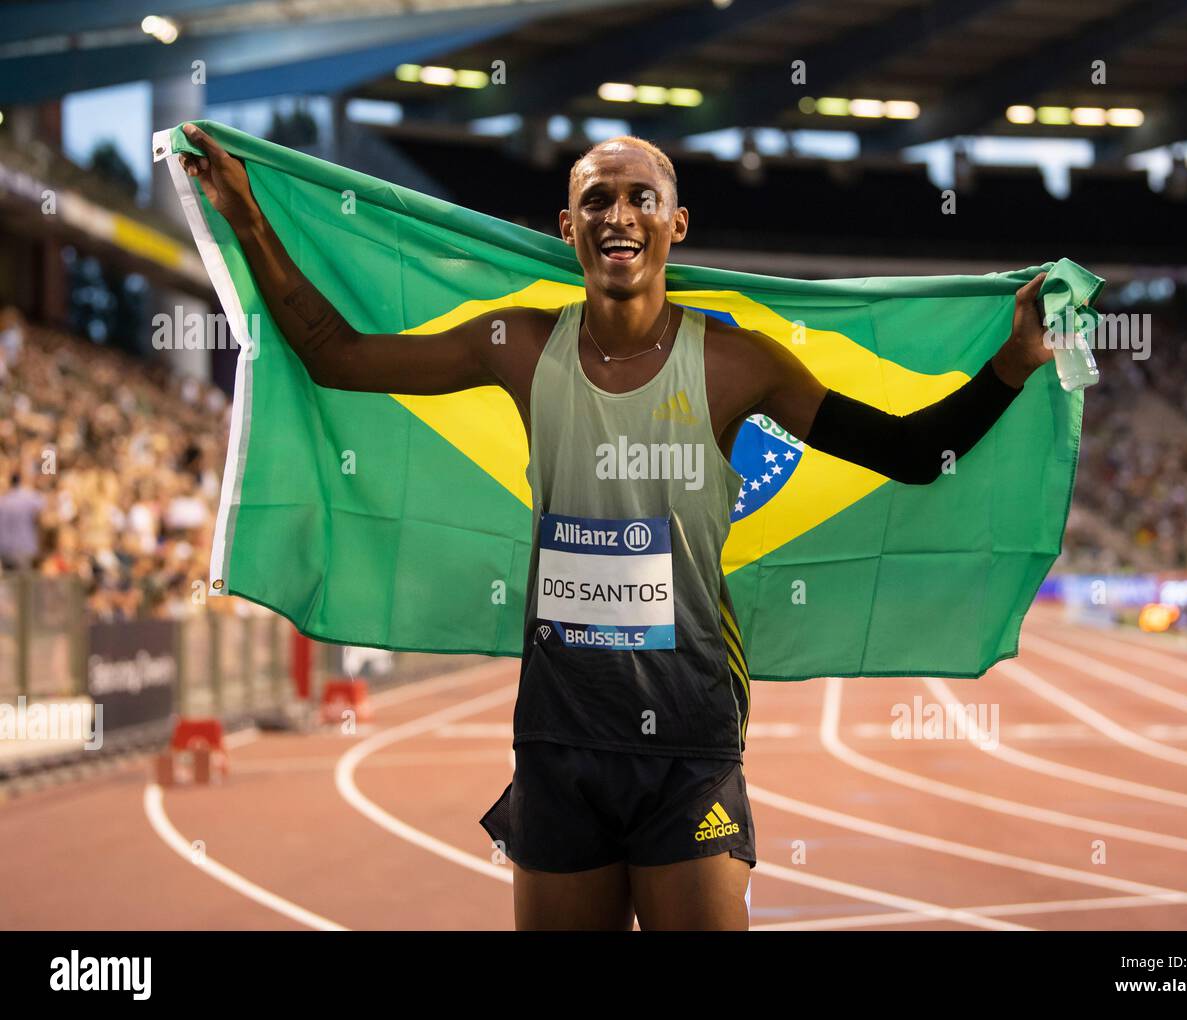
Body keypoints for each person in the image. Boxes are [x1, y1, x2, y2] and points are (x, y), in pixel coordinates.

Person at [177, 122, 1054, 930]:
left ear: (678, 224)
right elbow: (338, 357)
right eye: (597, 199)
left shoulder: (737, 361)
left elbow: (907, 450)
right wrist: (251, 222)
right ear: (568, 227)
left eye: (642, 198)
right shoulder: (516, 345)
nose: (619, 215)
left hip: (689, 737)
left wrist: (1013, 364)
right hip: (560, 738)